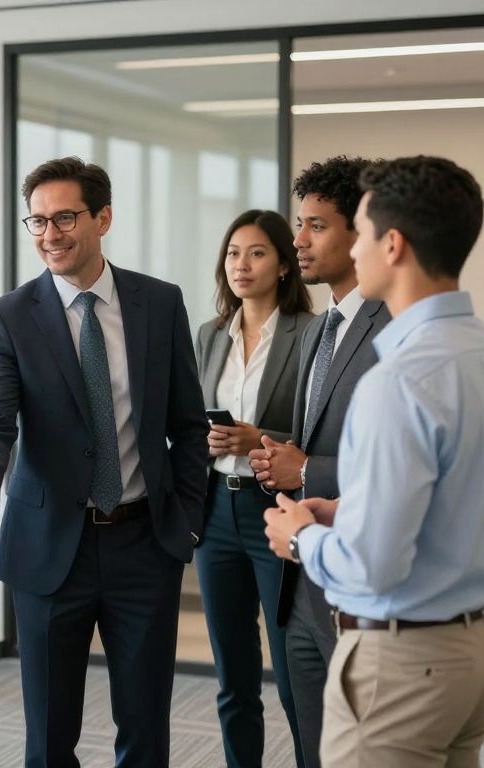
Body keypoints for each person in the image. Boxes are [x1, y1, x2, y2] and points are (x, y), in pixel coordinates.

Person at [0, 156, 209, 767]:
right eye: (37, 221)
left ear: (103, 217)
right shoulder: (8, 317)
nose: (50, 234)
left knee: (146, 725)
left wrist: (189, 518)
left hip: (143, 544)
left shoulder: (159, 302)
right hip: (47, 549)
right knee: (48, 735)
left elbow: (188, 425)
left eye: (65, 217)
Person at [264, 155, 484, 767]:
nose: (353, 250)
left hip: (403, 663)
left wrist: (302, 536)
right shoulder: (476, 351)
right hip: (470, 651)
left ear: (392, 245)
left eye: (359, 230)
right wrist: (353, 507)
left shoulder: (402, 379)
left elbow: (372, 567)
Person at [247, 155, 390, 768]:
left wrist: (307, 471)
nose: (298, 241)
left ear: (362, 232)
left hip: (363, 588)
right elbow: (311, 440)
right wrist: (280, 458)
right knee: (312, 748)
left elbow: (400, 467)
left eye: (317, 226)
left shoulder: (396, 330)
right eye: (298, 224)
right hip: (301, 586)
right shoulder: (314, 328)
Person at [194, 209, 311, 767]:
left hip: (280, 509)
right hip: (218, 512)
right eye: (234, 252)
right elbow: (190, 420)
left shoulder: (311, 334)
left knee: (292, 676)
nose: (241, 264)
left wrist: (255, 439)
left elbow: (319, 432)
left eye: (258, 252)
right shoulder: (210, 334)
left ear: (285, 265)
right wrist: (209, 441)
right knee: (233, 677)